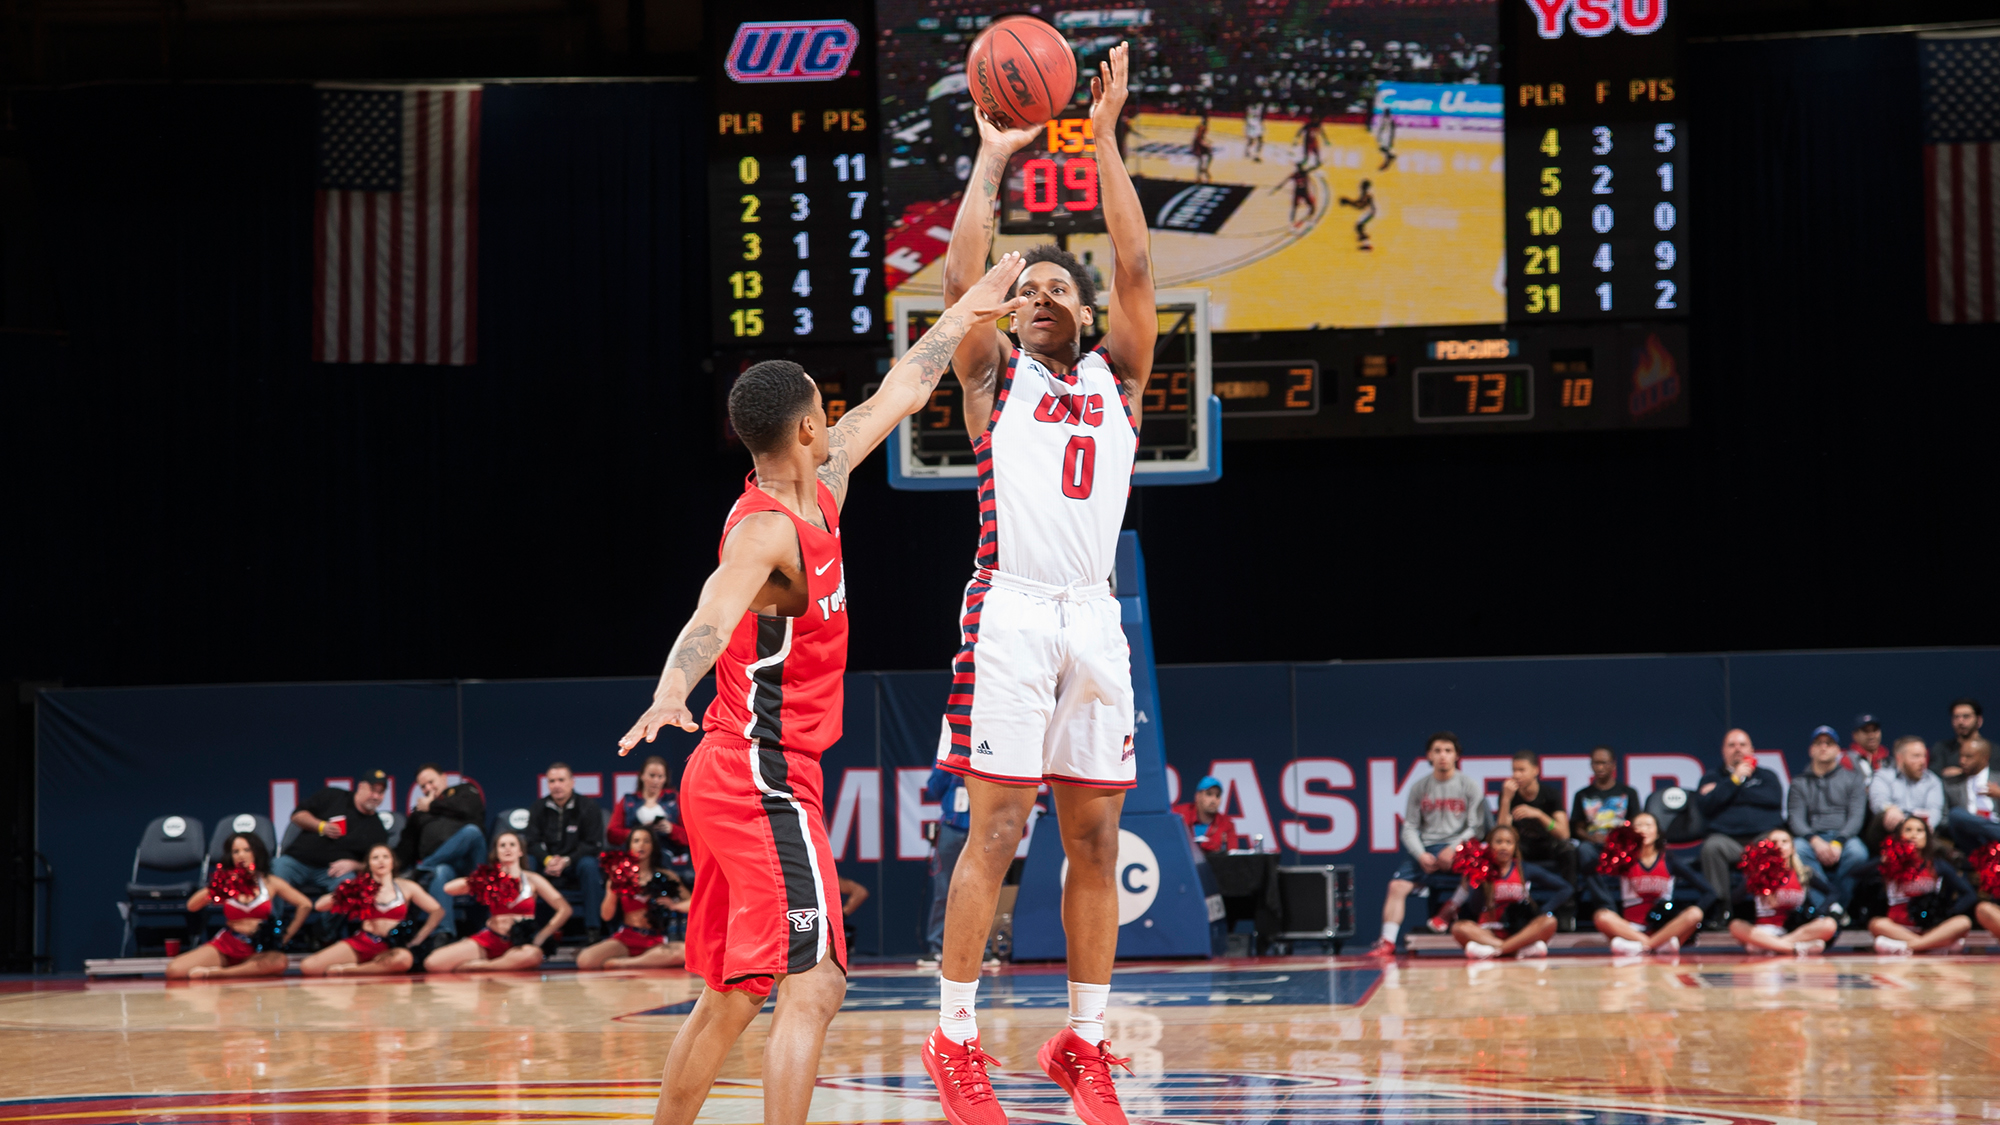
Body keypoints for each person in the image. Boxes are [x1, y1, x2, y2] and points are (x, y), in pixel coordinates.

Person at [612, 242, 1033, 1125]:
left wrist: (973, 309)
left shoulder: (824, 480)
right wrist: (669, 687)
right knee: (818, 979)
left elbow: (905, 388)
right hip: (754, 772)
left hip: (751, 771)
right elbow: (711, 611)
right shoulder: (765, 533)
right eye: (821, 402)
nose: (834, 411)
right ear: (805, 427)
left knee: (737, 989)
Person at [926, 42, 1157, 1125]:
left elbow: (1134, 267)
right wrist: (990, 160)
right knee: (997, 827)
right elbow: (964, 273)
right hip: (1010, 607)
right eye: (1033, 289)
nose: (1049, 295)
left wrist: (1102, 139)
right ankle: (955, 1037)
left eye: (1061, 286)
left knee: (1095, 838)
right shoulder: (989, 378)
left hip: (1093, 620)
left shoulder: (1118, 379)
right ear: (1011, 317)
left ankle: (1085, 1040)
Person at [1370, 733, 1491, 956]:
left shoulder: (1469, 785)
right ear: (1429, 756)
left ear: (1456, 755)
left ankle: (1449, 910)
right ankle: (1386, 941)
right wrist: (1420, 854)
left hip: (1458, 848)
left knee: (1480, 866)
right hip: (1427, 850)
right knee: (1396, 886)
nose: (1442, 756)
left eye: (1447, 750)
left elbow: (1476, 828)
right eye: (1437, 751)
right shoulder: (1419, 787)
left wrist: (1455, 847)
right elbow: (1409, 828)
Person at [167, 832, 314, 980]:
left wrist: (286, 936)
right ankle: (235, 970)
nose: (241, 855)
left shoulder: (270, 882)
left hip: (258, 950)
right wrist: (219, 884)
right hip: (227, 945)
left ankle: (221, 973)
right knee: (174, 970)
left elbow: (305, 904)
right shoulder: (226, 882)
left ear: (256, 852)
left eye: (246, 850)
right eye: (235, 851)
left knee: (279, 962)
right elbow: (192, 906)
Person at [423, 830, 573, 972]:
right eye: (502, 845)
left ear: (520, 852)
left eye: (512, 845)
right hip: (491, 939)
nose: (507, 848)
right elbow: (449, 888)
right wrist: (481, 879)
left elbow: (564, 909)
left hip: (519, 944)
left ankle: (481, 967)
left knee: (533, 955)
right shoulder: (490, 879)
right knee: (433, 963)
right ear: (497, 852)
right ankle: (502, 964)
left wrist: (542, 935)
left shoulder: (532, 879)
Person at [273, 770, 390, 941]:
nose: (375, 796)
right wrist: (321, 826)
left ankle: (321, 934)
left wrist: (354, 865)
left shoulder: (377, 829)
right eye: (372, 790)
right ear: (361, 787)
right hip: (297, 862)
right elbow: (297, 816)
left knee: (349, 885)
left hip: (332, 872)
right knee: (275, 871)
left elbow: (377, 864)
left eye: (380, 792)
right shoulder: (333, 796)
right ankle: (271, 930)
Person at [300, 843, 443, 977]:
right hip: (364, 941)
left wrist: (418, 940)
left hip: (391, 947)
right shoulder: (360, 887)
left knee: (404, 959)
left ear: (393, 862)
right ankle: (371, 966)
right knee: (308, 967)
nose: (381, 861)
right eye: (375, 858)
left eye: (385, 857)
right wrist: (346, 891)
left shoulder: (406, 887)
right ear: (368, 864)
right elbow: (319, 905)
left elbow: (437, 911)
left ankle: (352, 970)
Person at [1429, 825, 1566, 960]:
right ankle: (1515, 950)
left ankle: (1495, 951)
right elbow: (1475, 908)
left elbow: (1565, 888)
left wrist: (1544, 909)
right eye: (1499, 842)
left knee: (1549, 921)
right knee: (1458, 928)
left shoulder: (1524, 869)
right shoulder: (1481, 870)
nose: (1503, 847)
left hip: (1518, 931)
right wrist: (1478, 881)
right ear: (1489, 846)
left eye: (1508, 842)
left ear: (1514, 846)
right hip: (1488, 931)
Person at [1589, 811, 1710, 955]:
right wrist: (1616, 840)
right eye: (1638, 825)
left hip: (1663, 928)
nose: (1643, 830)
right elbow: (1595, 866)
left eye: (1648, 825)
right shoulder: (1624, 858)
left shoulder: (1669, 860)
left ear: (1658, 833)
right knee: (1602, 916)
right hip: (1631, 928)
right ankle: (1654, 946)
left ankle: (1641, 946)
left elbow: (1709, 892)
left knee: (1695, 914)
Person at [1696, 729, 1785, 920]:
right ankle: (1721, 910)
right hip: (1728, 842)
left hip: (1760, 838)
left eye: (1742, 744)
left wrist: (1728, 791)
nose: (1737, 749)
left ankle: (1772, 911)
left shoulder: (1767, 776)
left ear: (1752, 750)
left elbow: (1772, 799)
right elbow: (1706, 805)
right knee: (1711, 847)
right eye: (1731, 745)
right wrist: (1734, 779)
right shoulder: (1711, 777)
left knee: (1774, 844)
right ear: (1723, 751)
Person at [1787, 725, 1871, 920]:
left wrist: (1838, 842)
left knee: (1858, 853)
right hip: (1812, 838)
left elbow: (1856, 816)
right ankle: (1827, 909)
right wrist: (1815, 841)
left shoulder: (1853, 779)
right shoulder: (1799, 782)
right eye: (1818, 743)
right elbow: (1796, 818)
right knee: (1798, 850)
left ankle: (1837, 905)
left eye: (1829, 743)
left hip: (1843, 838)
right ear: (1811, 750)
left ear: (1837, 750)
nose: (1823, 747)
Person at [575, 828, 689, 971]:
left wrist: (674, 905)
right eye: (636, 841)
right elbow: (606, 916)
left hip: (656, 941)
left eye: (646, 841)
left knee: (684, 952)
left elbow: (693, 903)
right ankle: (643, 961)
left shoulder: (666, 875)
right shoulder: (621, 876)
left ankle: (628, 963)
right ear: (629, 846)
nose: (641, 845)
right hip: (626, 937)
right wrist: (612, 887)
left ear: (653, 846)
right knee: (585, 960)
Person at [1865, 815, 1975, 955]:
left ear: (1927, 837)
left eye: (1919, 830)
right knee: (1876, 924)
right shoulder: (1890, 862)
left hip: (1930, 927)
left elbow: (1969, 894)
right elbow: (1855, 873)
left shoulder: (1937, 864)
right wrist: (1880, 861)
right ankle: (1933, 945)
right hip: (1899, 927)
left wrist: (1948, 912)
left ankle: (1908, 946)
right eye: (1908, 830)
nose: (1914, 834)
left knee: (1964, 922)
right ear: (1900, 836)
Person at [527, 762, 607, 941]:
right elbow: (531, 842)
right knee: (529, 864)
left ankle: (593, 930)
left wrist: (566, 861)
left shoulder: (588, 807)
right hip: (546, 864)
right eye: (552, 781)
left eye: (561, 780)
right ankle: (527, 927)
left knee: (589, 865)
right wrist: (547, 860)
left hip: (575, 863)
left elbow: (593, 844)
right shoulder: (538, 808)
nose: (556, 785)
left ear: (572, 782)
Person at [405, 763, 486, 942]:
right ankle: (443, 934)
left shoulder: (465, 790)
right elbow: (407, 847)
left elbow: (468, 810)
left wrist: (433, 805)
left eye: (431, 782)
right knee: (440, 871)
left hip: (473, 864)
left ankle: (423, 868)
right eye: (423, 786)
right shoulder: (419, 813)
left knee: (472, 831)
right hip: (448, 866)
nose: (428, 788)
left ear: (444, 778)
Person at [1727, 829, 1836, 956]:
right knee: (1735, 926)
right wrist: (1752, 878)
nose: (1779, 845)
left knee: (1829, 924)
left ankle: (1774, 946)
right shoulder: (1759, 873)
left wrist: (1819, 911)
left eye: (1785, 842)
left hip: (1792, 932)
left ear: (1793, 848)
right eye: (1774, 842)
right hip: (1762, 932)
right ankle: (1794, 948)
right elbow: (1734, 899)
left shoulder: (1803, 874)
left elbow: (1833, 892)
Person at [1498, 750, 1575, 927]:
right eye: (1514, 770)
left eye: (1521, 770)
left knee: (1568, 849)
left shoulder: (1551, 795)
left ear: (1535, 770)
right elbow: (1501, 832)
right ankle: (1513, 911)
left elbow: (1564, 833)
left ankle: (1566, 911)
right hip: (1522, 848)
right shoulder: (1509, 795)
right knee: (1503, 849)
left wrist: (1539, 815)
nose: (1516, 775)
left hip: (1548, 846)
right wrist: (1506, 800)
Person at [922, 767, 972, 965]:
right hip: (951, 826)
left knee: (982, 890)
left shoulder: (989, 745)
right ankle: (936, 947)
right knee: (944, 891)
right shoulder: (949, 747)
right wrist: (950, 768)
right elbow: (933, 789)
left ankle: (983, 948)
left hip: (980, 826)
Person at [608, 755, 691, 875]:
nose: (656, 781)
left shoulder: (674, 799)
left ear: (665, 779)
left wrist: (672, 829)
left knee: (662, 857)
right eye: (652, 776)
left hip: (665, 852)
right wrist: (636, 834)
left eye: (660, 776)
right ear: (642, 776)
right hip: (633, 854)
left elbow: (690, 836)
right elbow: (611, 833)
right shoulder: (628, 801)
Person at [1570, 746, 1640, 873]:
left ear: (1613, 765)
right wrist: (1591, 838)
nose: (1600, 767)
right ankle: (1600, 893)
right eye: (1596, 763)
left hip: (1620, 843)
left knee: (1632, 849)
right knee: (1583, 850)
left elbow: (1635, 824)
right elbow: (1577, 828)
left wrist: (1614, 837)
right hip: (1593, 843)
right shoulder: (1582, 795)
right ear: (1591, 765)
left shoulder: (1628, 792)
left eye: (1604, 763)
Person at [1868, 736, 1945, 840]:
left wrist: (1917, 828)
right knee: (1884, 815)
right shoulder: (1883, 776)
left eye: (1924, 756)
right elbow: (1879, 801)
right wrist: (1889, 808)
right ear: (1900, 758)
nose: (1923, 761)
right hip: (1891, 831)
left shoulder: (1933, 781)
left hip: (1921, 832)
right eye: (1916, 756)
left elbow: (1934, 810)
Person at [1944, 736, 2000, 847]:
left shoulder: (1998, 779)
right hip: (1969, 840)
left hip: (1996, 841)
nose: (1962, 761)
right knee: (1955, 814)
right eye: (1961, 756)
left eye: (1968, 757)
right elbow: (1944, 819)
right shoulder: (1951, 783)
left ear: (1985, 758)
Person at [1173, 775, 1238, 853]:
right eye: (1209, 794)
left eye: (1217, 796)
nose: (1214, 800)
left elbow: (1233, 857)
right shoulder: (1179, 815)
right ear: (1198, 796)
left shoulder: (1227, 824)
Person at [1937, 698, 1985, 778]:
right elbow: (1933, 775)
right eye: (1956, 717)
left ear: (1979, 721)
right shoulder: (1941, 749)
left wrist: (1962, 773)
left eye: (1966, 716)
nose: (1961, 722)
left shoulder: (1994, 751)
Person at [1336, 180, 1375, 249]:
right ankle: (1365, 241)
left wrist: (1348, 202)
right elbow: (1358, 202)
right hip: (1369, 212)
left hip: (1369, 212)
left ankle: (1367, 244)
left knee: (1359, 226)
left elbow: (1360, 206)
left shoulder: (1366, 195)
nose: (1360, 187)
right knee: (1359, 227)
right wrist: (1349, 201)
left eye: (1362, 186)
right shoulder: (1365, 194)